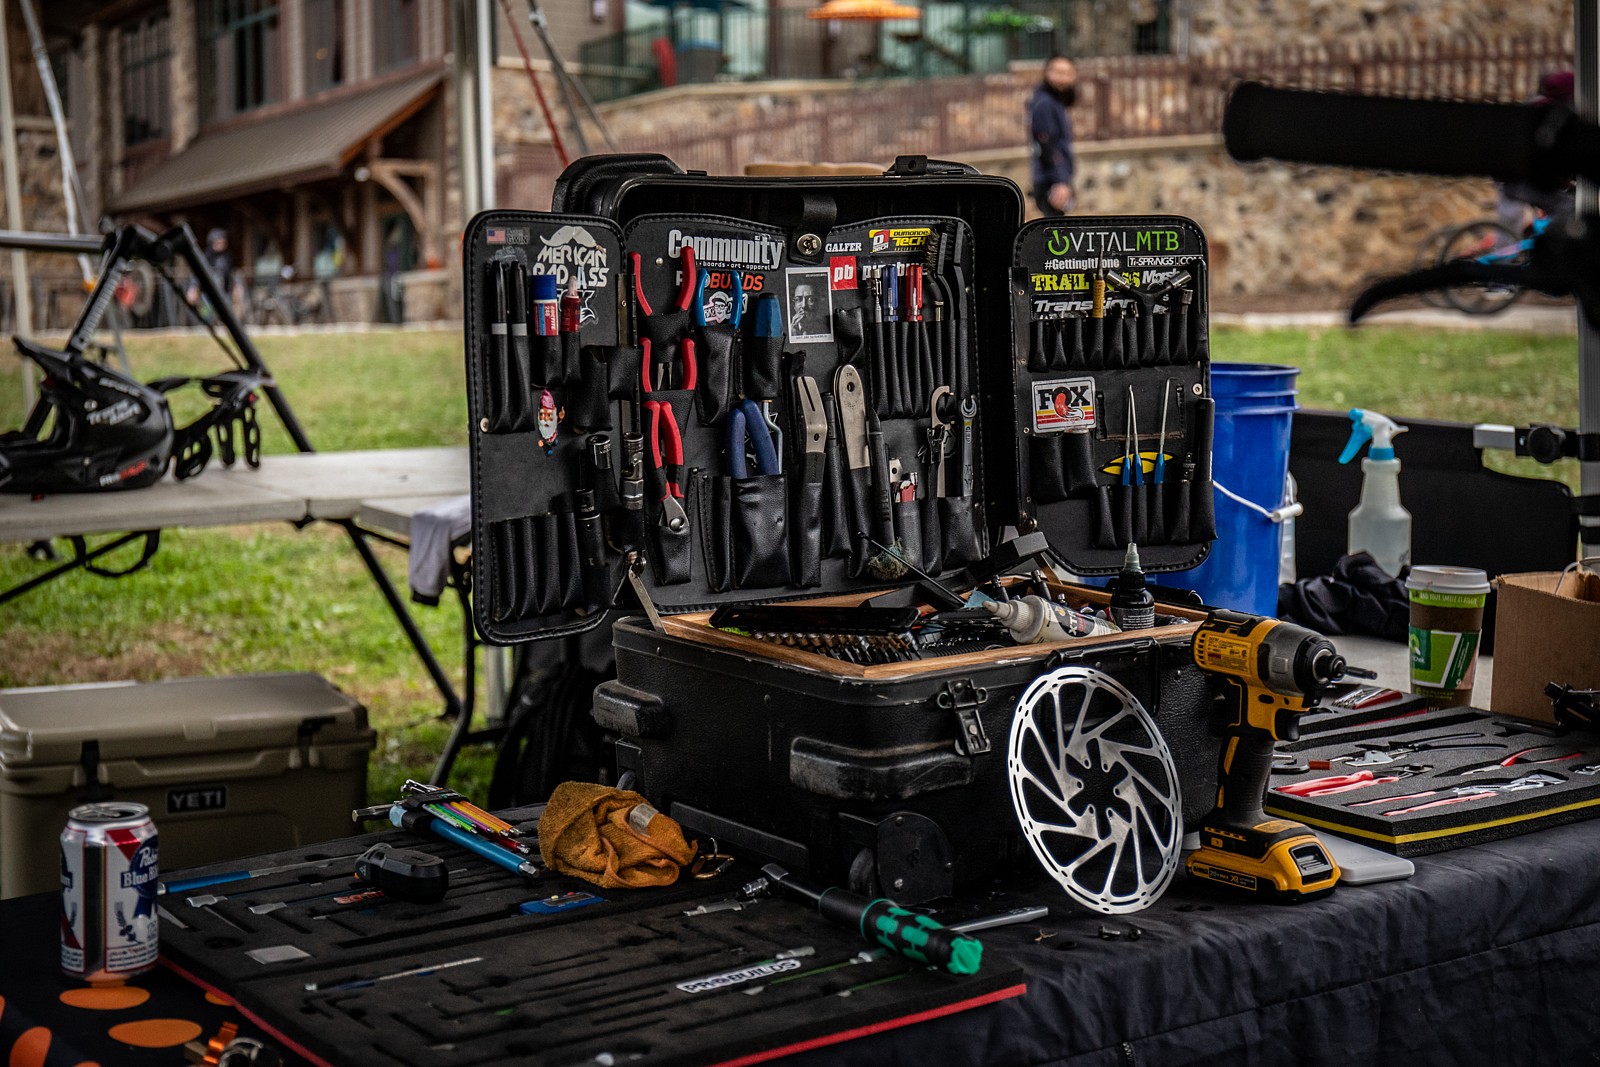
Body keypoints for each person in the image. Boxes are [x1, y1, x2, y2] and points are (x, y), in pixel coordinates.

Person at [1029, 55, 1078, 217]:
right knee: (1054, 237)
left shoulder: (1055, 102)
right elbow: (1046, 143)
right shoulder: (1045, 103)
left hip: (1054, 178)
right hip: (1050, 180)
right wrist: (1059, 181)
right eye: (1058, 72)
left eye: (1067, 73)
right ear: (1047, 73)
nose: (1063, 78)